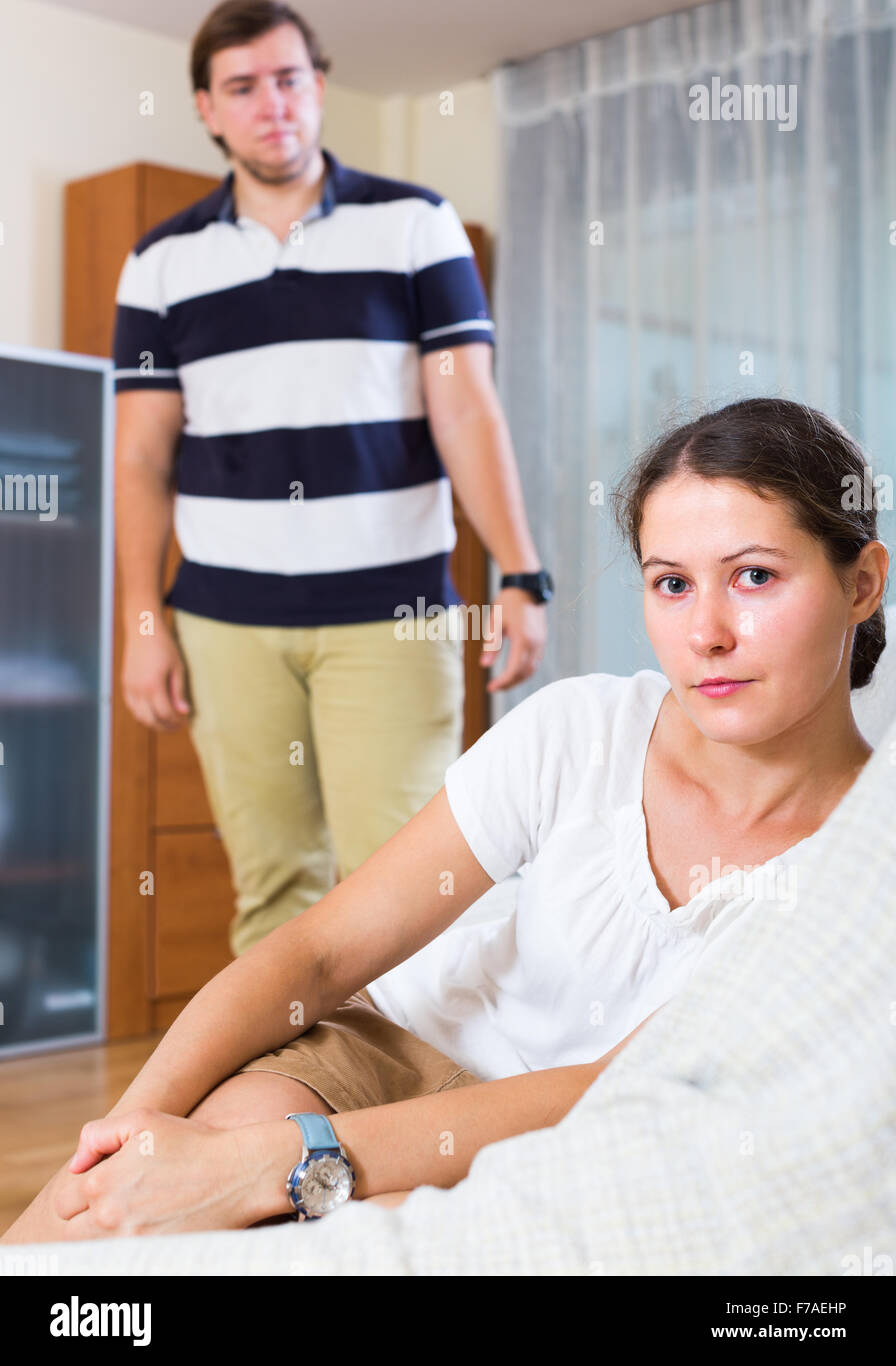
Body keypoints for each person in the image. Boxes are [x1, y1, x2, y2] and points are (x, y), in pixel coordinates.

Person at [2, 395, 888, 1243]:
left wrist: (276, 1166)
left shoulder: (864, 861)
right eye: (671, 584)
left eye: (755, 576)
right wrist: (118, 1141)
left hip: (570, 1141)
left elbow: (616, 1089)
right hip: (386, 1059)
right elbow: (321, 951)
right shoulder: (583, 729)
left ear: (862, 583)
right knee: (120, 1219)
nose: (708, 633)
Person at [111, 0, 550, 956]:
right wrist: (144, 622)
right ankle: (296, 1105)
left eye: (289, 78)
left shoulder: (416, 226)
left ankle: (429, 1107)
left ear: (319, 86)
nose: (272, 103)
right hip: (225, 621)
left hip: (389, 612)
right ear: (207, 108)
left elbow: (468, 408)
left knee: (412, 891)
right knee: (274, 898)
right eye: (243, 87)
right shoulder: (158, 264)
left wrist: (519, 573)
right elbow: (141, 458)